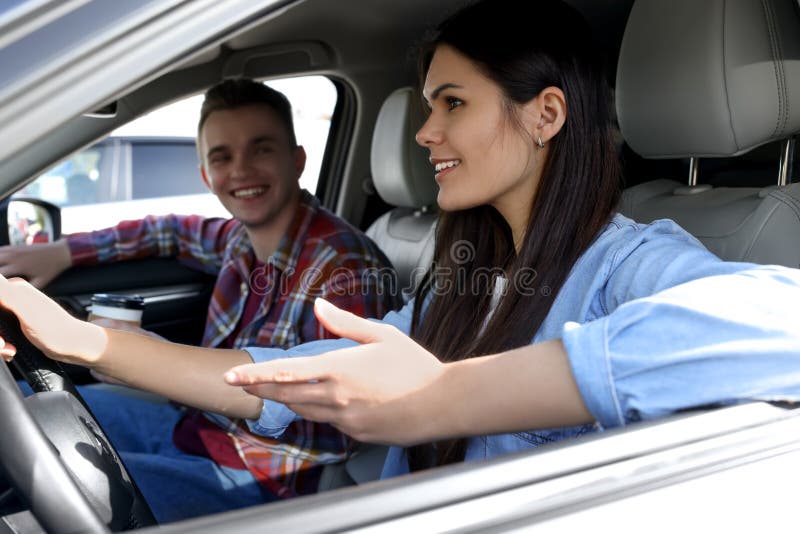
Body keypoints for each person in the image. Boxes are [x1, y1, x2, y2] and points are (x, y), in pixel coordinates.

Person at [0, 0, 799, 503]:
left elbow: (784, 325)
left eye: (452, 104)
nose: (424, 133)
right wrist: (85, 341)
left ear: (546, 114)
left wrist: (442, 398)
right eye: (426, 106)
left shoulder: (627, 266)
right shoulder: (465, 282)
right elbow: (274, 380)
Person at [0, 79, 401, 522]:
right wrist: (62, 252)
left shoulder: (344, 265)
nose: (241, 170)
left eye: (262, 149)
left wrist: (150, 358)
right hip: (196, 428)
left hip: (261, 479)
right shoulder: (237, 240)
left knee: (40, 499)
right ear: (206, 176)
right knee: (22, 410)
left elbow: (344, 417)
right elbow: (167, 230)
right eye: (222, 156)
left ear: (298, 160)